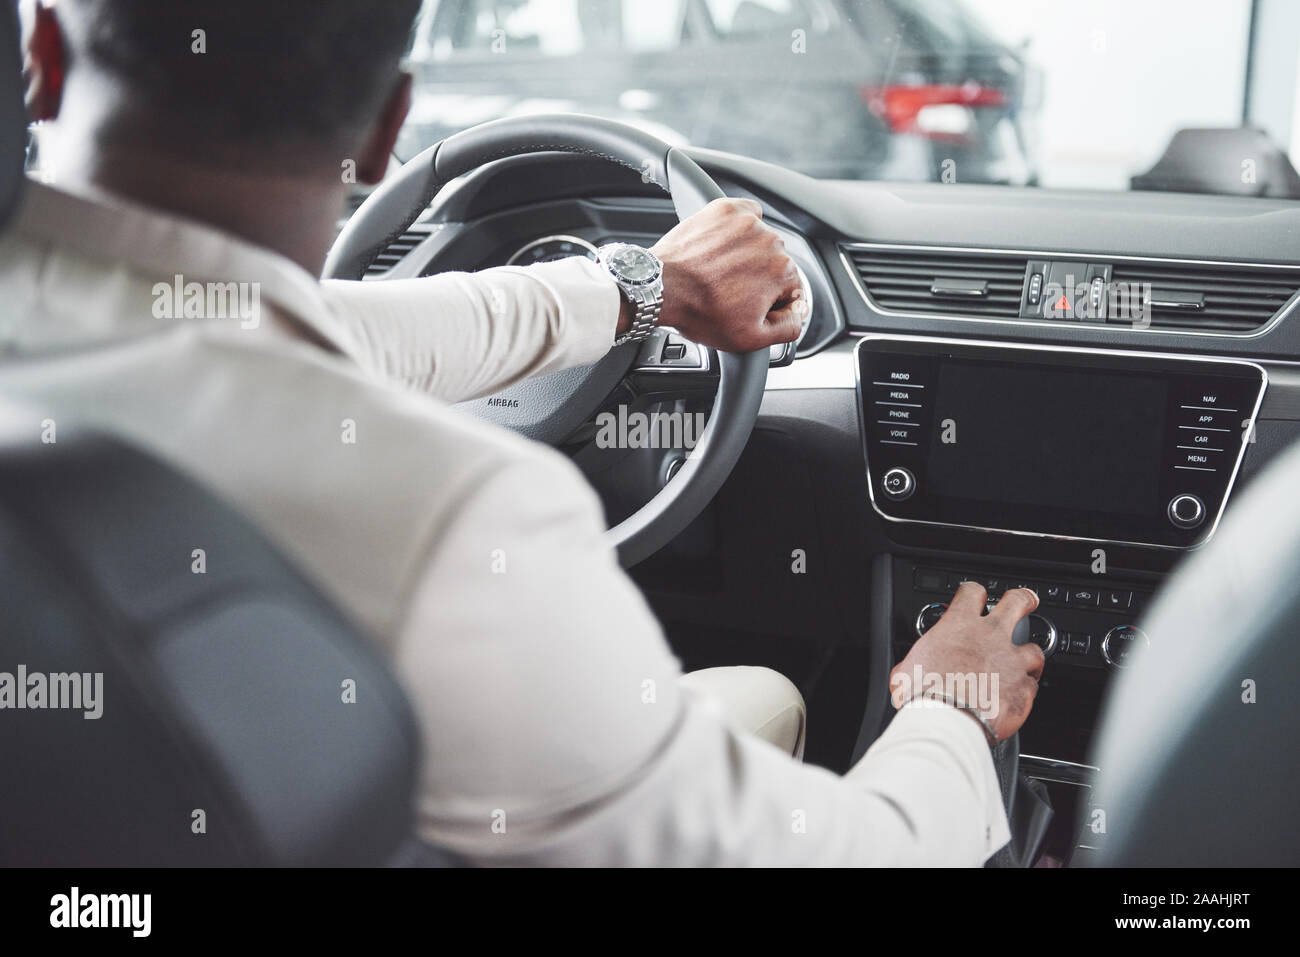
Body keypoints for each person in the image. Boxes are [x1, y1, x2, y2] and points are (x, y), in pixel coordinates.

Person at [0, 0, 1043, 865]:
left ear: (42, 58)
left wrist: (645, 285)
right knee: (759, 693)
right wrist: (949, 713)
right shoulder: (457, 514)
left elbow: (339, 332)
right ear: (383, 128)